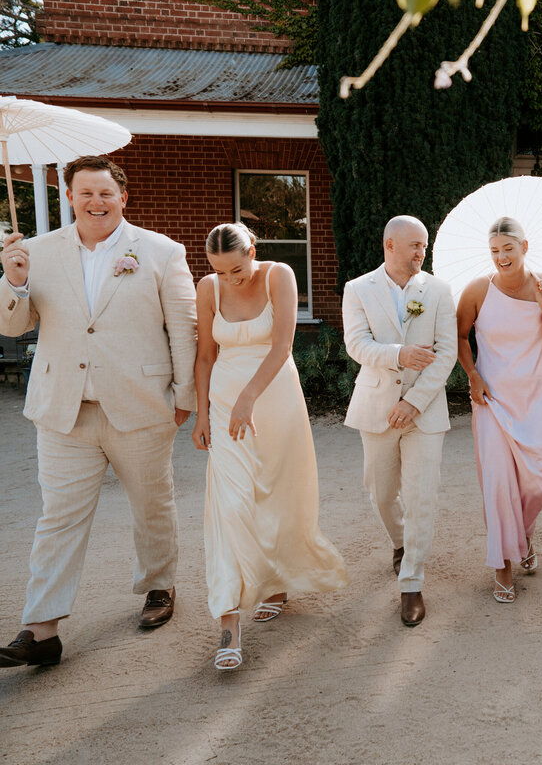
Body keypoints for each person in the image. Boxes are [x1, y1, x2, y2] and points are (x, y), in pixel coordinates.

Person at [0, 156, 196, 669]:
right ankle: (40, 629)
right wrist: (15, 282)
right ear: (69, 197)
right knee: (57, 519)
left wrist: (185, 396)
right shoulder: (34, 252)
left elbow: (183, 328)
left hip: (141, 405)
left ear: (123, 197)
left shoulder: (160, 251)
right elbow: (13, 328)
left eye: (106, 193)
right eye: (85, 193)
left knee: (152, 505)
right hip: (64, 410)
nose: (96, 202)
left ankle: (159, 587)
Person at [192, 223, 347, 670]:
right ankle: (228, 623)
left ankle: (277, 582)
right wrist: (203, 414)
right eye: (221, 272)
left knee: (277, 494)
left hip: (273, 396)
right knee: (230, 506)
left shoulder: (279, 274)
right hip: (224, 406)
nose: (231, 280)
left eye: (237, 270)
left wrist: (249, 396)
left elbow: (282, 346)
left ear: (253, 252)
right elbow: (205, 355)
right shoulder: (209, 288)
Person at [342, 216, 457, 626]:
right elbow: (356, 343)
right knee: (381, 492)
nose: (419, 252)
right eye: (413, 245)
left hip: (424, 412)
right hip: (376, 407)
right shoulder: (357, 289)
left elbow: (446, 353)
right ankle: (399, 542)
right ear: (389, 244)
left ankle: (412, 582)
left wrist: (414, 401)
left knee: (422, 495)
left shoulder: (440, 290)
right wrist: (399, 354)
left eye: (423, 245)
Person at [456, 217, 542, 603]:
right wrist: (472, 374)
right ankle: (503, 564)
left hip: (534, 399)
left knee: (536, 486)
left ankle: (522, 536)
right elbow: (459, 335)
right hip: (491, 399)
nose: (501, 257)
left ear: (525, 246)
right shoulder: (477, 290)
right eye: (494, 251)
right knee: (498, 484)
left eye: (508, 248)